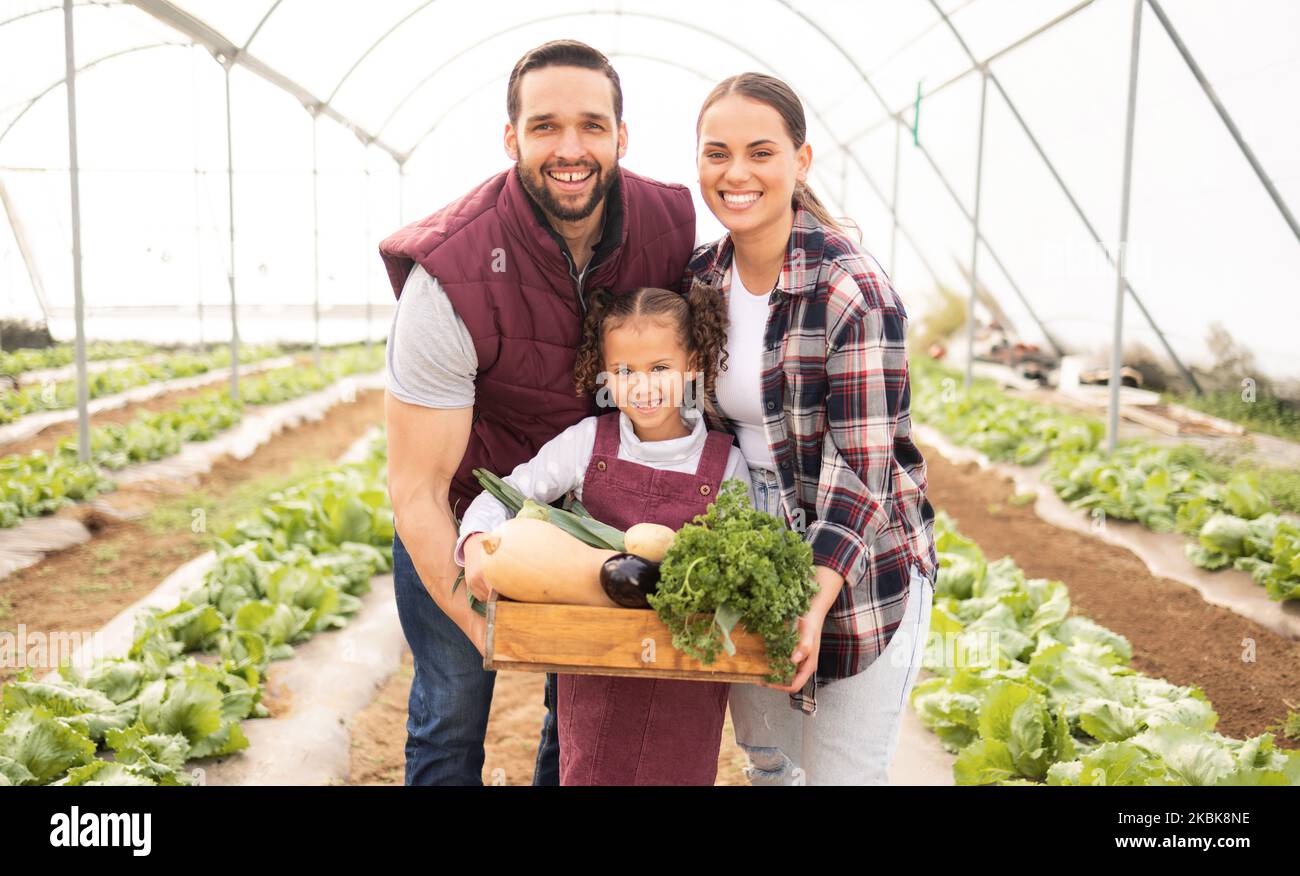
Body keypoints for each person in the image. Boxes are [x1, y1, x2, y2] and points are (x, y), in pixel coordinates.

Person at [378, 40, 696, 786]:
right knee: (450, 715)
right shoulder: (450, 272)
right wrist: (480, 623)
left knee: (579, 718)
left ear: (622, 136)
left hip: (597, 521)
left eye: (591, 125)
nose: (571, 147)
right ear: (512, 136)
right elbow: (416, 489)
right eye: (545, 126)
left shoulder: (671, 226)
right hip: (461, 521)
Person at [686, 72, 939, 785]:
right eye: (717, 153)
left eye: (761, 152)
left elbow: (863, 466)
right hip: (749, 551)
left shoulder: (852, 290)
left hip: (859, 558)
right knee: (770, 766)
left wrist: (814, 593)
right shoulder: (698, 279)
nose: (736, 173)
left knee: (841, 777)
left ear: (801, 161)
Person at [456, 285, 753, 785]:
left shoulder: (727, 463)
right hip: (592, 664)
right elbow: (504, 495)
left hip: (687, 669)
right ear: (605, 376)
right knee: (590, 769)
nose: (643, 387)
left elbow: (747, 551)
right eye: (624, 372)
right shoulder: (586, 443)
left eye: (660, 368)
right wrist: (474, 545)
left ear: (694, 365)